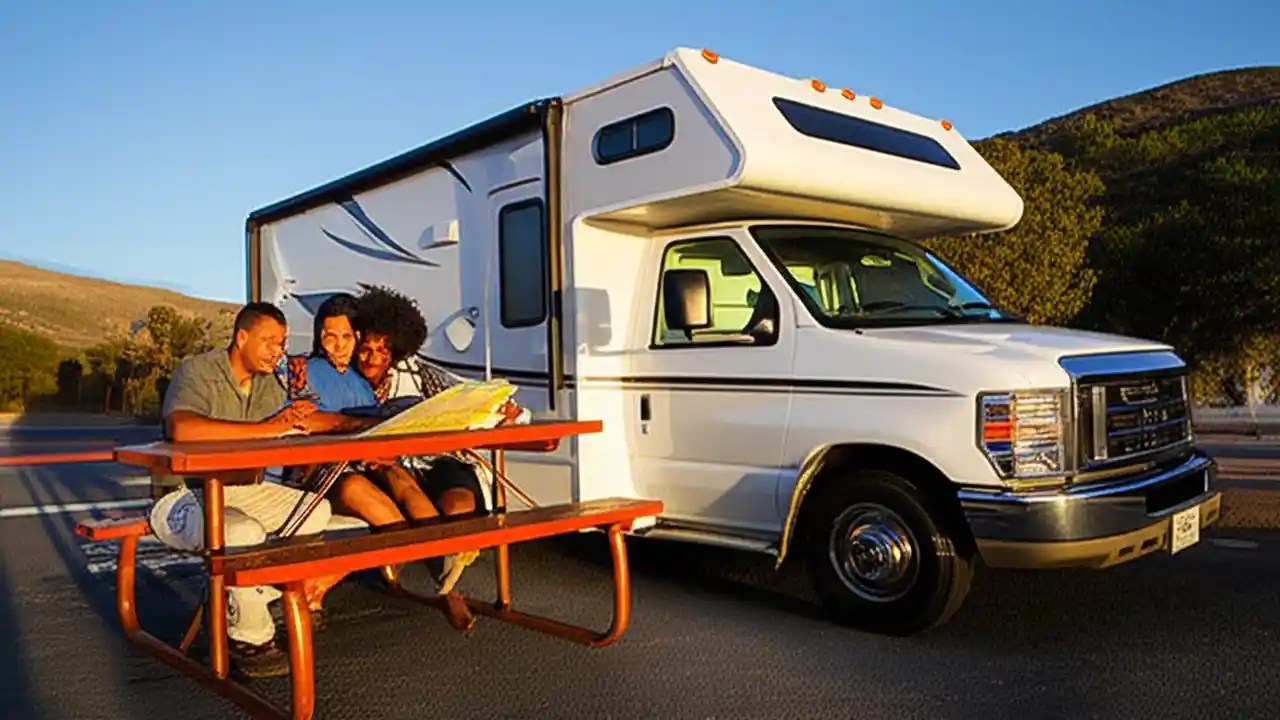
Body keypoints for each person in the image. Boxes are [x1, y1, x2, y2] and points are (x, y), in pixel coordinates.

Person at [151, 301, 371, 678]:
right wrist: (268, 429)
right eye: (269, 341)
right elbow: (183, 429)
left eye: (282, 343)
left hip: (243, 492)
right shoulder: (199, 372)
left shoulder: (269, 385)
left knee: (317, 512)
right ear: (241, 337)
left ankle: (240, 596)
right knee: (242, 533)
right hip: (185, 497)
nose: (277, 351)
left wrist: (354, 423)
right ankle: (250, 636)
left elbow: (296, 422)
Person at [348, 284, 530, 594]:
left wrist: (511, 414)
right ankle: (445, 581)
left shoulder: (421, 375)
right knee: (405, 492)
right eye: (366, 348)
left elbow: (470, 399)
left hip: (437, 459)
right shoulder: (345, 380)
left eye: (383, 350)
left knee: (460, 507)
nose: (372, 358)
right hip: (385, 467)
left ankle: (442, 572)